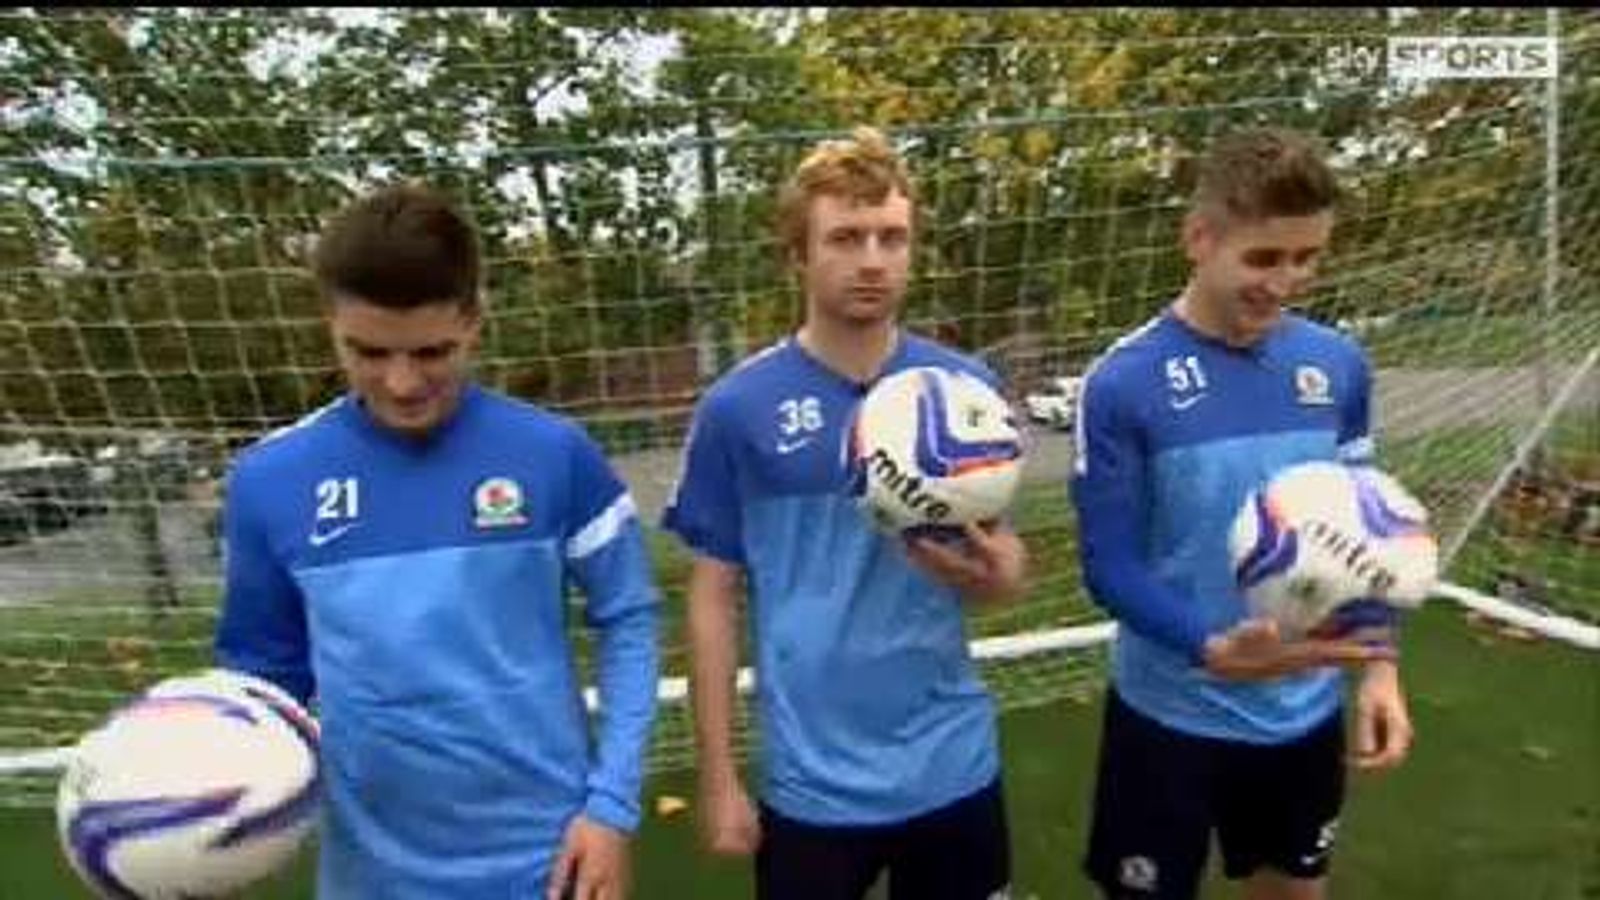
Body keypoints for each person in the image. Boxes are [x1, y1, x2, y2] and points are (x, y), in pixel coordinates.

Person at [213, 183, 660, 900]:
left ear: (474, 319)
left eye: (431, 352)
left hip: (550, 866)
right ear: (329, 321)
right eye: (367, 351)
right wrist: (212, 815)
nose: (401, 382)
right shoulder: (271, 481)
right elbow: (262, 684)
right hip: (373, 877)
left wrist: (609, 808)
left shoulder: (555, 455)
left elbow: (629, 619)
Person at [660, 126, 1029, 900]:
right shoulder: (739, 407)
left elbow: (1005, 562)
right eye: (846, 238)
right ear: (798, 254)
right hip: (812, 782)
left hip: (951, 761)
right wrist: (722, 776)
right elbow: (713, 596)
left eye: (892, 238)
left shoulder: (962, 392)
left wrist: (998, 576)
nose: (872, 260)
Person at [1070, 126, 1413, 900]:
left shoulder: (1337, 365)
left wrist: (1381, 671)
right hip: (1169, 719)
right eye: (1262, 258)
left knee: (1293, 892)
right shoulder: (1123, 383)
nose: (1285, 281)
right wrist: (1212, 645)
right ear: (1199, 238)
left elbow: (1367, 533)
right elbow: (1110, 565)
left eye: (1306, 258)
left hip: (1302, 713)